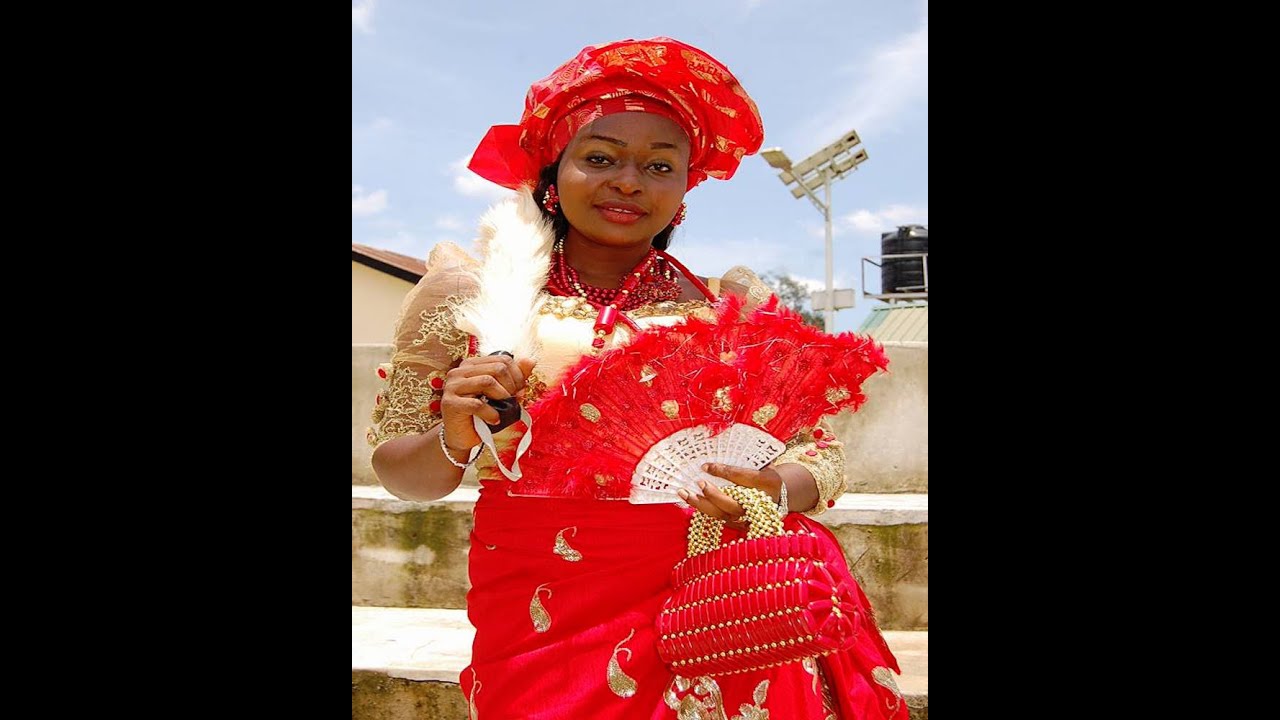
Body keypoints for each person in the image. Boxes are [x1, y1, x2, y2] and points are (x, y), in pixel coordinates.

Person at [368, 37, 907, 719]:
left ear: (683, 191)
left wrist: (771, 488)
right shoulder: (465, 297)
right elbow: (402, 475)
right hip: (544, 614)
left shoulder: (726, 304)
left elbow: (820, 456)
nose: (629, 181)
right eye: (600, 158)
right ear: (552, 171)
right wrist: (452, 434)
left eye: (659, 165)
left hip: (719, 603)